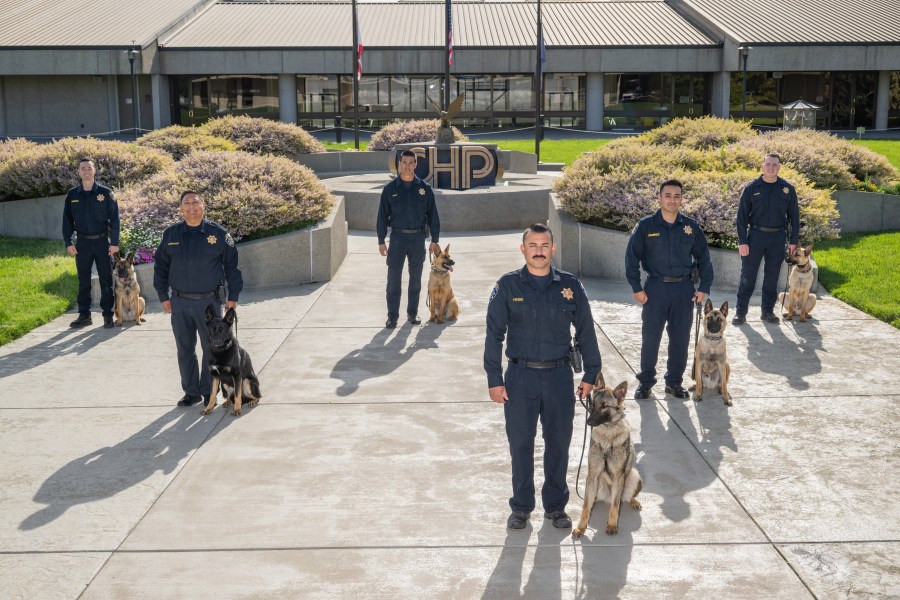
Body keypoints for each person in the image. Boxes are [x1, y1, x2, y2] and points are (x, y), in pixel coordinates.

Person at [484, 223, 601, 530]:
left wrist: (591, 372)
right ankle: (521, 507)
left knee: (558, 444)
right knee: (521, 443)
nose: (539, 250)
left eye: (544, 244)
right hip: (520, 378)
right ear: (523, 249)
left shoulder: (570, 285)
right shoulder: (508, 285)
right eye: (532, 245)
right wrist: (494, 378)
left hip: (559, 377)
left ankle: (556, 507)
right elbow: (494, 335)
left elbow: (586, 330)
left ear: (553, 248)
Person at [625, 179, 713, 400]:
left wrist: (704, 286)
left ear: (682, 199)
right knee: (651, 338)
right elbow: (631, 258)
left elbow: (704, 257)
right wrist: (636, 288)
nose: (672, 200)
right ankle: (645, 383)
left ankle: (674, 382)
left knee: (680, 339)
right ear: (659, 198)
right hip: (655, 289)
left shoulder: (691, 227)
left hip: (684, 290)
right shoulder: (646, 226)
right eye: (668, 195)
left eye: (677, 196)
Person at [153, 191, 243, 407]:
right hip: (180, 302)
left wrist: (234, 296)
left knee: (211, 349)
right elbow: (161, 267)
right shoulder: (171, 234)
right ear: (181, 208)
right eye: (186, 203)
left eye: (195, 203)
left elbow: (232, 267)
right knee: (185, 349)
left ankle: (207, 392)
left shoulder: (219, 234)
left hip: (209, 303)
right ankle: (191, 392)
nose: (191, 207)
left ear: (204, 205)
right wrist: (163, 295)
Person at [733, 153, 800, 325]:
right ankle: (740, 312)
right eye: (768, 164)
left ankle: (767, 311)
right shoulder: (751, 188)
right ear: (762, 167)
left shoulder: (787, 189)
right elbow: (741, 218)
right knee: (748, 276)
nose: (771, 168)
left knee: (772, 277)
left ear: (779, 167)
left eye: (775, 165)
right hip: (755, 236)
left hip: (777, 237)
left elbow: (795, 217)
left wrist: (793, 241)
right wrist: (742, 241)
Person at [376, 149, 441, 328]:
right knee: (393, 281)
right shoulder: (390, 189)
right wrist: (381, 240)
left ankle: (412, 314)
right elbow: (382, 216)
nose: (407, 166)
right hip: (397, 239)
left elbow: (433, 215)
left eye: (411, 163)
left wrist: (434, 239)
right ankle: (392, 316)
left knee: (415, 280)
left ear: (415, 165)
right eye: (404, 162)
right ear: (399, 164)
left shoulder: (424, 189)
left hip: (417, 239)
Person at [62, 157, 120, 329]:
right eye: (83, 168)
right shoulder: (72, 195)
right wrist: (68, 242)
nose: (86, 171)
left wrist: (114, 243)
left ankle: (108, 315)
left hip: (102, 242)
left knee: (106, 280)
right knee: (83, 280)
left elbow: (115, 219)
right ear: (79, 172)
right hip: (82, 244)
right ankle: (84, 315)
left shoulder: (106, 193)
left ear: (95, 171)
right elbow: (67, 221)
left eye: (89, 168)